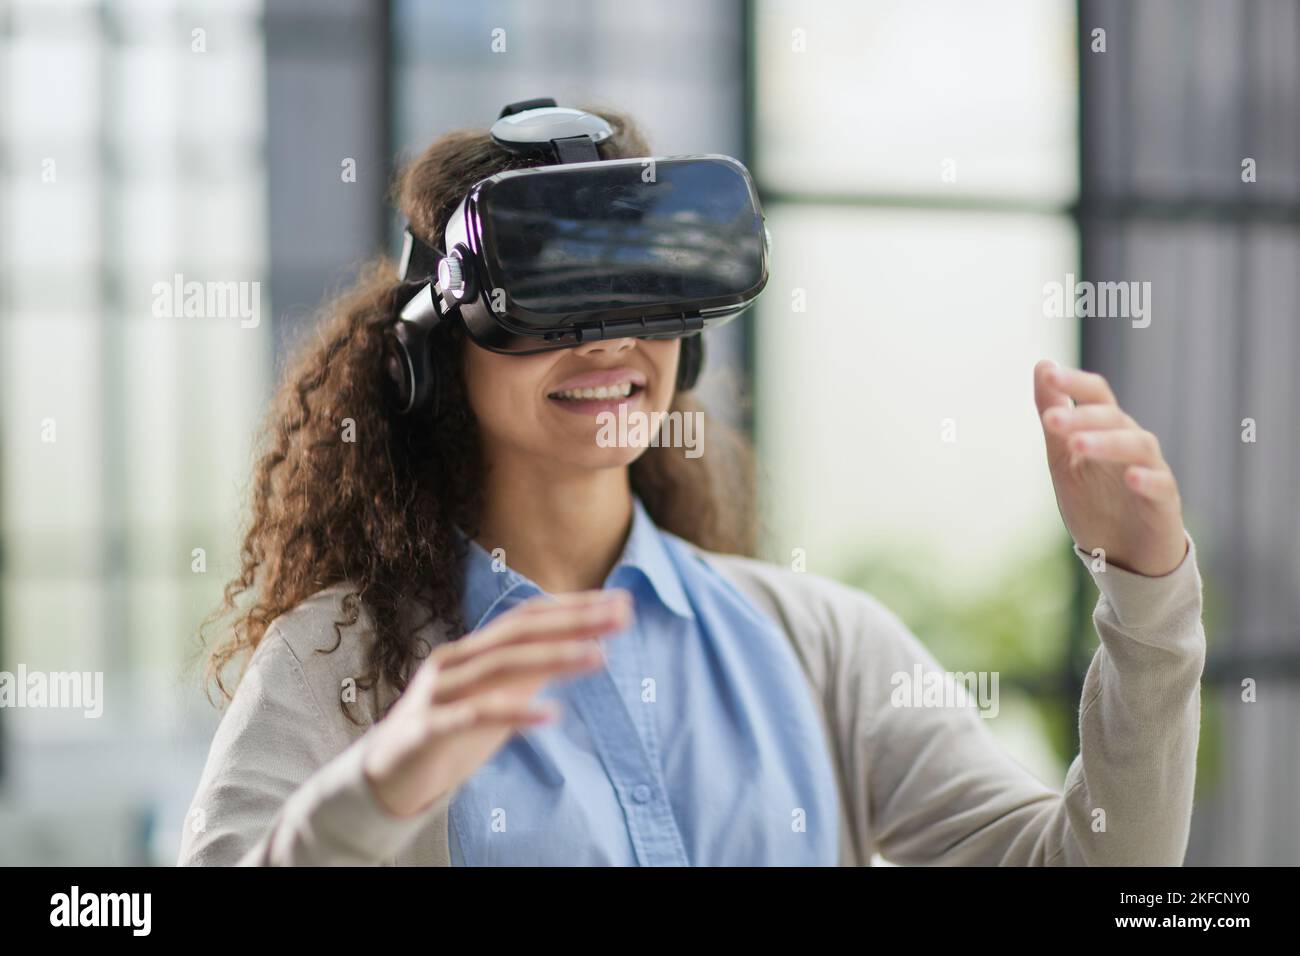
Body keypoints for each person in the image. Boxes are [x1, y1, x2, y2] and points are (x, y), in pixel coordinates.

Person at [178, 105, 1205, 866]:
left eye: (643, 288)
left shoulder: (818, 643)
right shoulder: (337, 664)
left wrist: (1145, 583)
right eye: (552, 299)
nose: (610, 339)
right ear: (434, 353)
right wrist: (374, 791)